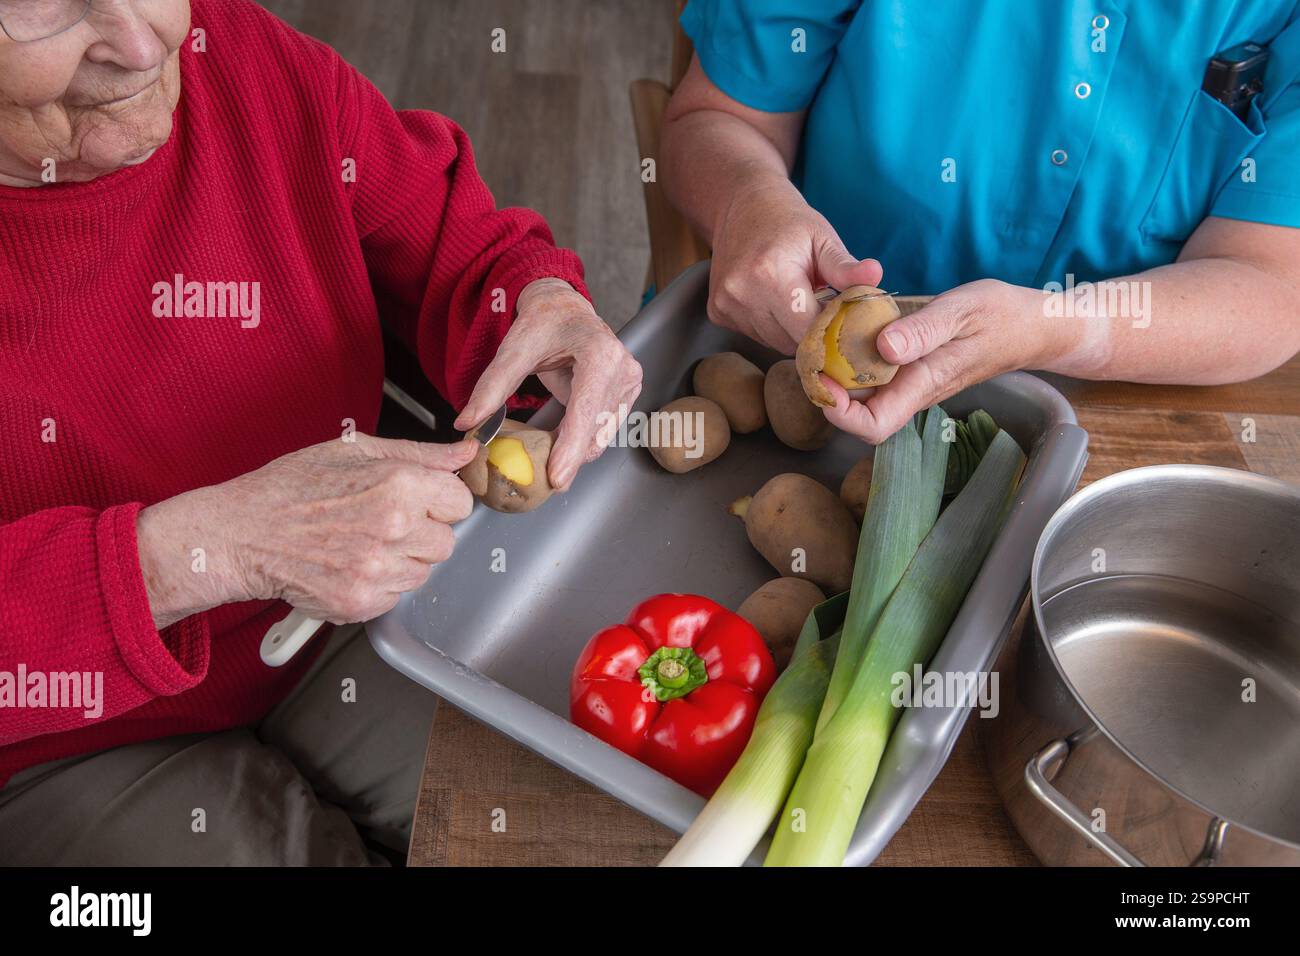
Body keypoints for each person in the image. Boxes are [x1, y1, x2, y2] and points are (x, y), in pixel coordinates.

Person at [0, 0, 640, 864]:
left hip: (358, 603)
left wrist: (533, 306)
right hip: (68, 735)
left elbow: (449, 240)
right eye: (46, 9)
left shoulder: (246, 58)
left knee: (578, 829)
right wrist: (205, 551)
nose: (143, 40)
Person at [662, 1, 1300, 442]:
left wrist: (1060, 328)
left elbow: (1272, 284)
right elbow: (715, 120)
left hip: (1111, 406)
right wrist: (750, 200)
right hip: (791, 357)